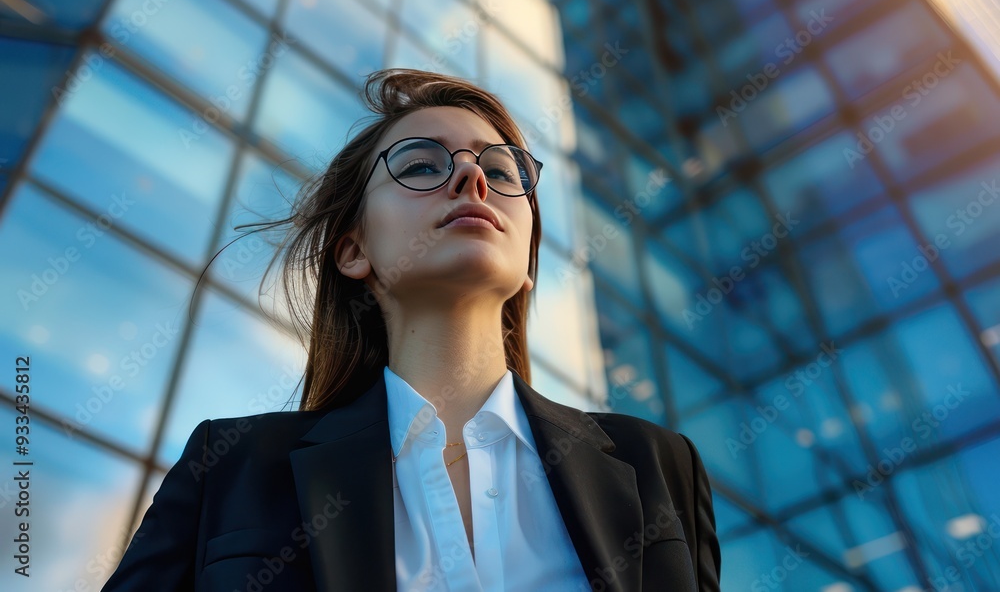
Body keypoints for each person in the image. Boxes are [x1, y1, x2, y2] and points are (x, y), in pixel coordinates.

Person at [102, 68, 721, 591]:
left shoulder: (657, 464)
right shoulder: (232, 465)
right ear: (354, 250)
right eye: (420, 165)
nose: (472, 178)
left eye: (504, 173)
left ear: (528, 265)